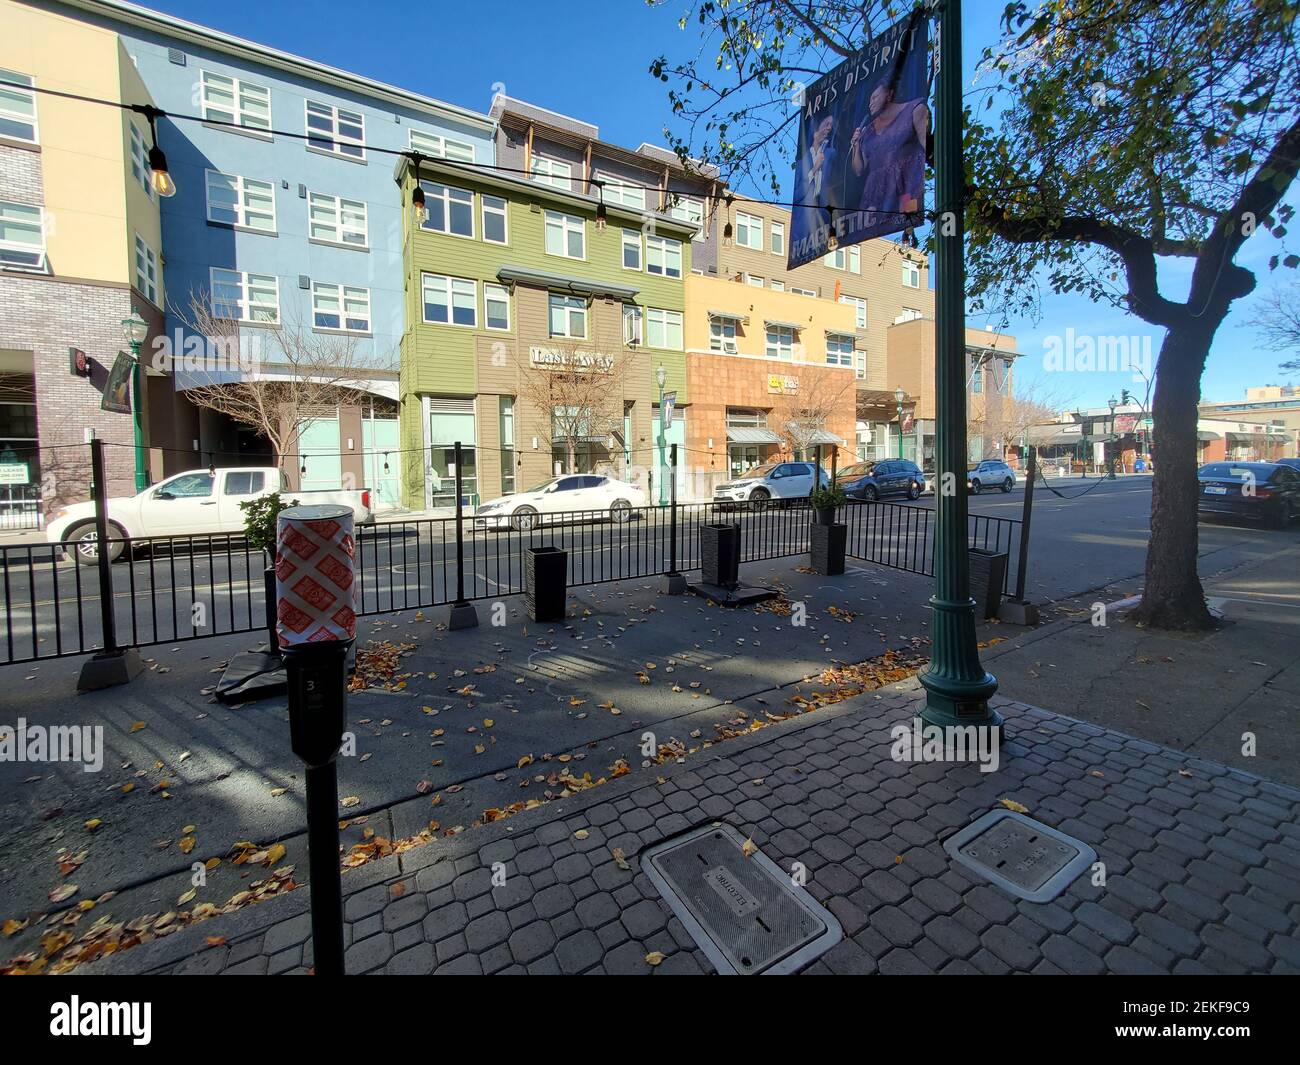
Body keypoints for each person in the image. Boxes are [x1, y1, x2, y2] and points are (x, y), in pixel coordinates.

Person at [849, 81, 928, 229]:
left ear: (889, 94)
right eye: (869, 100)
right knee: (870, 233)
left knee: (907, 221)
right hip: (874, 195)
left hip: (906, 186)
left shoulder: (914, 109)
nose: (870, 104)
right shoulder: (868, 131)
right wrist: (856, 146)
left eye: (874, 97)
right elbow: (859, 169)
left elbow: (926, 145)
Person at [792, 113, 838, 250]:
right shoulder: (801, 163)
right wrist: (815, 168)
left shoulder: (831, 154)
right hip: (804, 221)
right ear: (815, 130)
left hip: (825, 216)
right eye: (826, 124)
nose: (829, 128)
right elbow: (797, 194)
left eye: (831, 125)